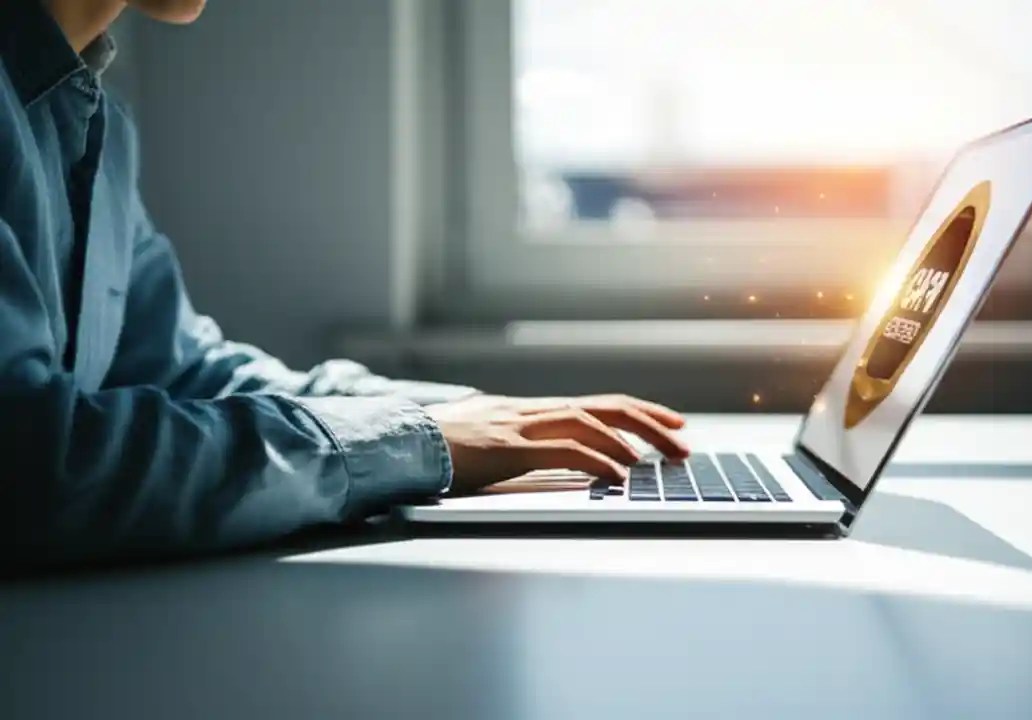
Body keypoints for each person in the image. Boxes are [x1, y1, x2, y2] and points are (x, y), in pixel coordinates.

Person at [0, 0, 689, 568]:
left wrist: (477, 419)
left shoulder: (95, 123)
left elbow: (181, 370)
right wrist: (417, 441)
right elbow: (34, 465)